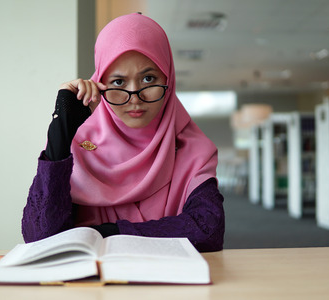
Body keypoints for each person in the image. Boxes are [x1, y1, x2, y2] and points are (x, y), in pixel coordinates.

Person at [22, 13, 225, 252]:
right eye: (118, 83)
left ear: (168, 78)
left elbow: (207, 230)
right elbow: (40, 237)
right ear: (100, 82)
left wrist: (108, 233)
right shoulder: (78, 147)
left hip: (169, 285)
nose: (135, 97)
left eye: (148, 79)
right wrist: (60, 130)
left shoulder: (193, 150)